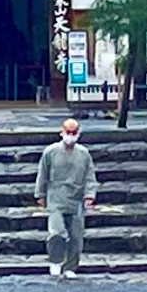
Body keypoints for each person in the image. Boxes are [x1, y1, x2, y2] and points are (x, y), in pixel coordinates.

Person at [34, 119, 98, 278]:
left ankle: (70, 267)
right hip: (55, 196)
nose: (70, 136)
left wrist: (90, 194)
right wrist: (40, 194)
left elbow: (90, 176)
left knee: (76, 236)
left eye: (73, 133)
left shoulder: (84, 154)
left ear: (78, 133)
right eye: (67, 132)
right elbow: (43, 174)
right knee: (57, 232)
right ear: (61, 132)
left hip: (76, 198)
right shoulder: (50, 151)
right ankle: (55, 261)